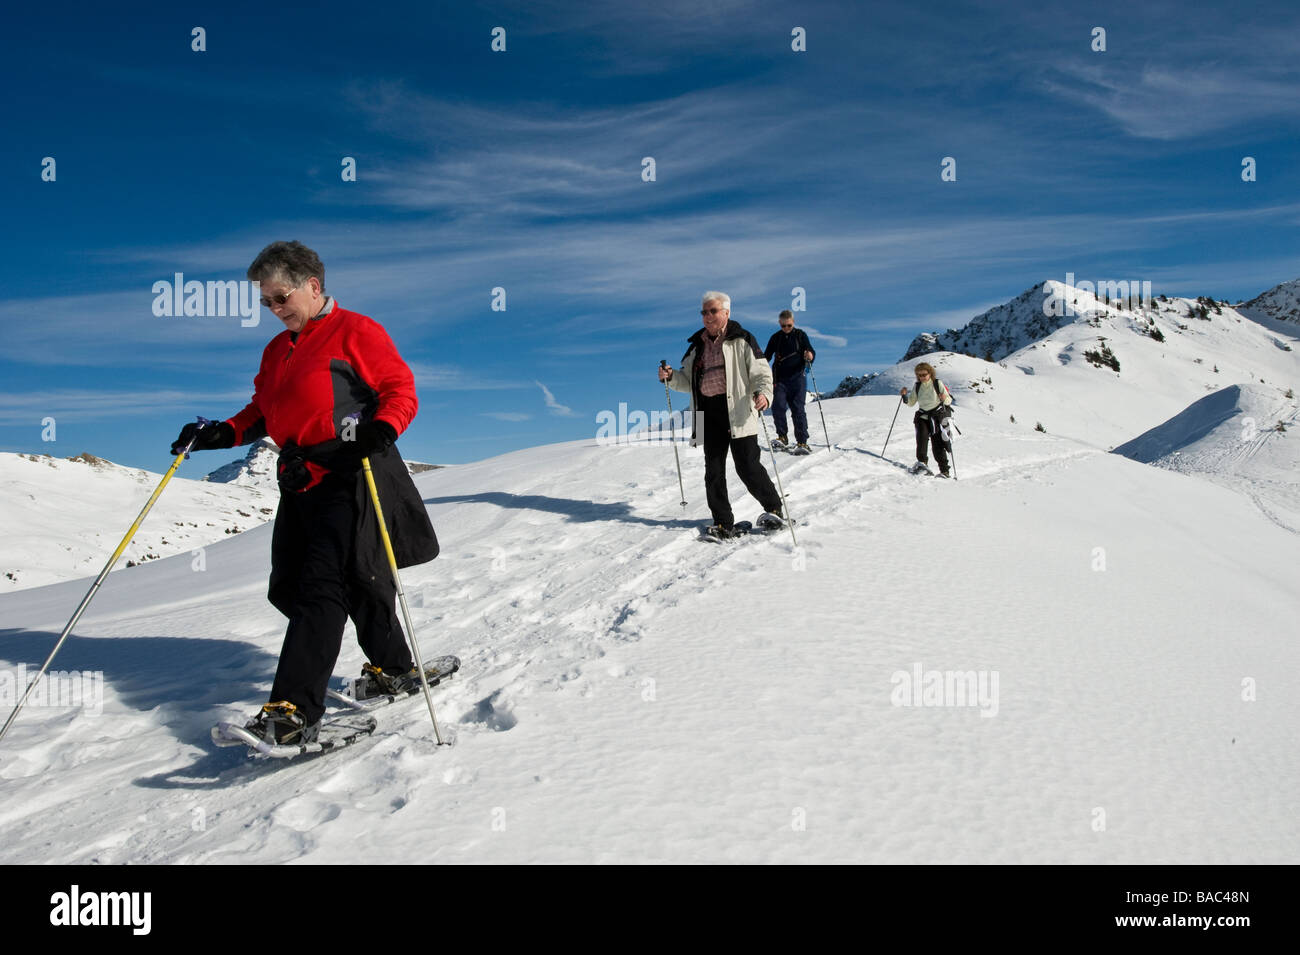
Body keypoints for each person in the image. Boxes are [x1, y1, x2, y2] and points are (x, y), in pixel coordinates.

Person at [170, 241, 438, 744]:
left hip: (353, 473)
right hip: (301, 480)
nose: (273, 310)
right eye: (265, 302)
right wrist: (219, 434)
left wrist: (381, 431)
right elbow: (261, 413)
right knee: (308, 584)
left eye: (280, 297)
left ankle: (292, 710)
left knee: (322, 586)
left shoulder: (356, 330)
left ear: (313, 286)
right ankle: (394, 666)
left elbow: (399, 389)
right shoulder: (277, 350)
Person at [658, 291, 785, 538]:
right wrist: (671, 376)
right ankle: (722, 522)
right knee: (713, 471)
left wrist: (764, 394)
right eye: (704, 312)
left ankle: (774, 509)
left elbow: (761, 372)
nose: (707, 316)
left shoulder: (742, 339)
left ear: (726, 313)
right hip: (707, 413)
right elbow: (689, 382)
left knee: (747, 466)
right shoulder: (696, 347)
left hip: (737, 410)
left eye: (712, 311)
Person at [763, 310, 816, 452]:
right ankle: (782, 437)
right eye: (783, 326)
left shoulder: (800, 335)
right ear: (779, 324)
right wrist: (757, 366)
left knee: (798, 409)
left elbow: (810, 351)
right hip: (780, 379)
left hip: (797, 377)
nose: (786, 328)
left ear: (793, 322)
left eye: (789, 325)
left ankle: (802, 442)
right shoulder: (776, 338)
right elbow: (766, 356)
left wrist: (810, 355)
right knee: (778, 407)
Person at [899, 361, 953, 477]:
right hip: (922, 417)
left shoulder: (937, 383)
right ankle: (922, 464)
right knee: (921, 440)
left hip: (937, 417)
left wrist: (944, 398)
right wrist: (904, 396)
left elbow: (948, 401)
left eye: (924, 374)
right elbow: (911, 402)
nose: (922, 377)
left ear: (930, 373)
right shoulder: (917, 386)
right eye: (919, 375)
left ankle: (944, 471)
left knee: (937, 444)